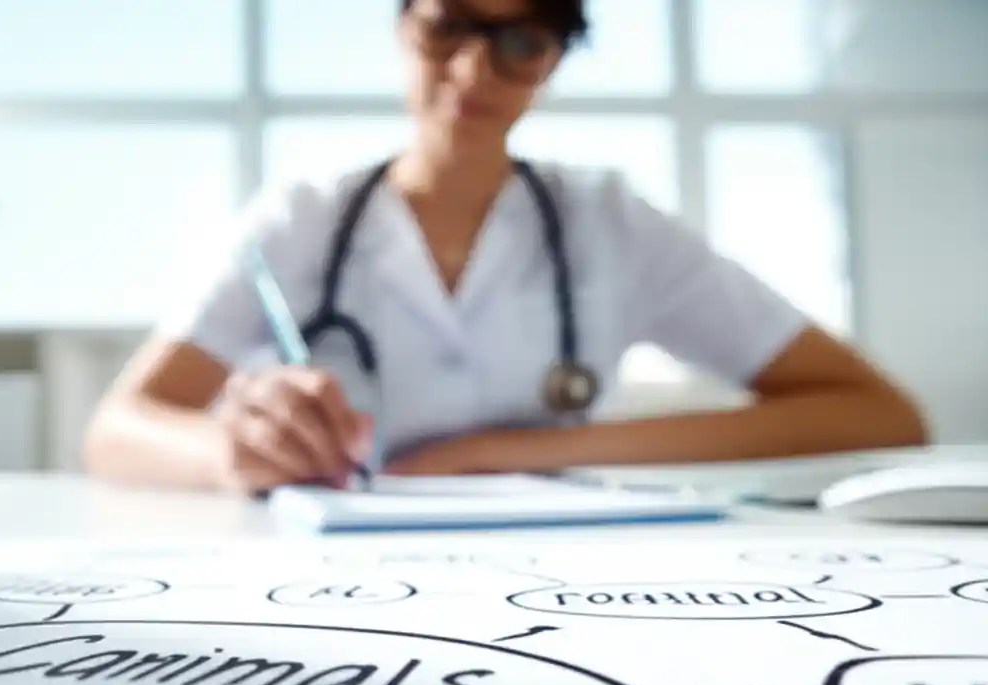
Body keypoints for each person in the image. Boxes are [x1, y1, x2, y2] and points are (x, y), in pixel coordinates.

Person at [85, 0, 927, 493]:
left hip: (559, 584)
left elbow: (879, 415)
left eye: (521, 39)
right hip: (331, 581)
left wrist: (504, 454)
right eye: (449, 25)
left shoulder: (614, 223)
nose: (474, 71)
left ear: (556, 57)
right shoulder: (300, 219)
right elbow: (117, 429)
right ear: (402, 24)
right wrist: (234, 448)